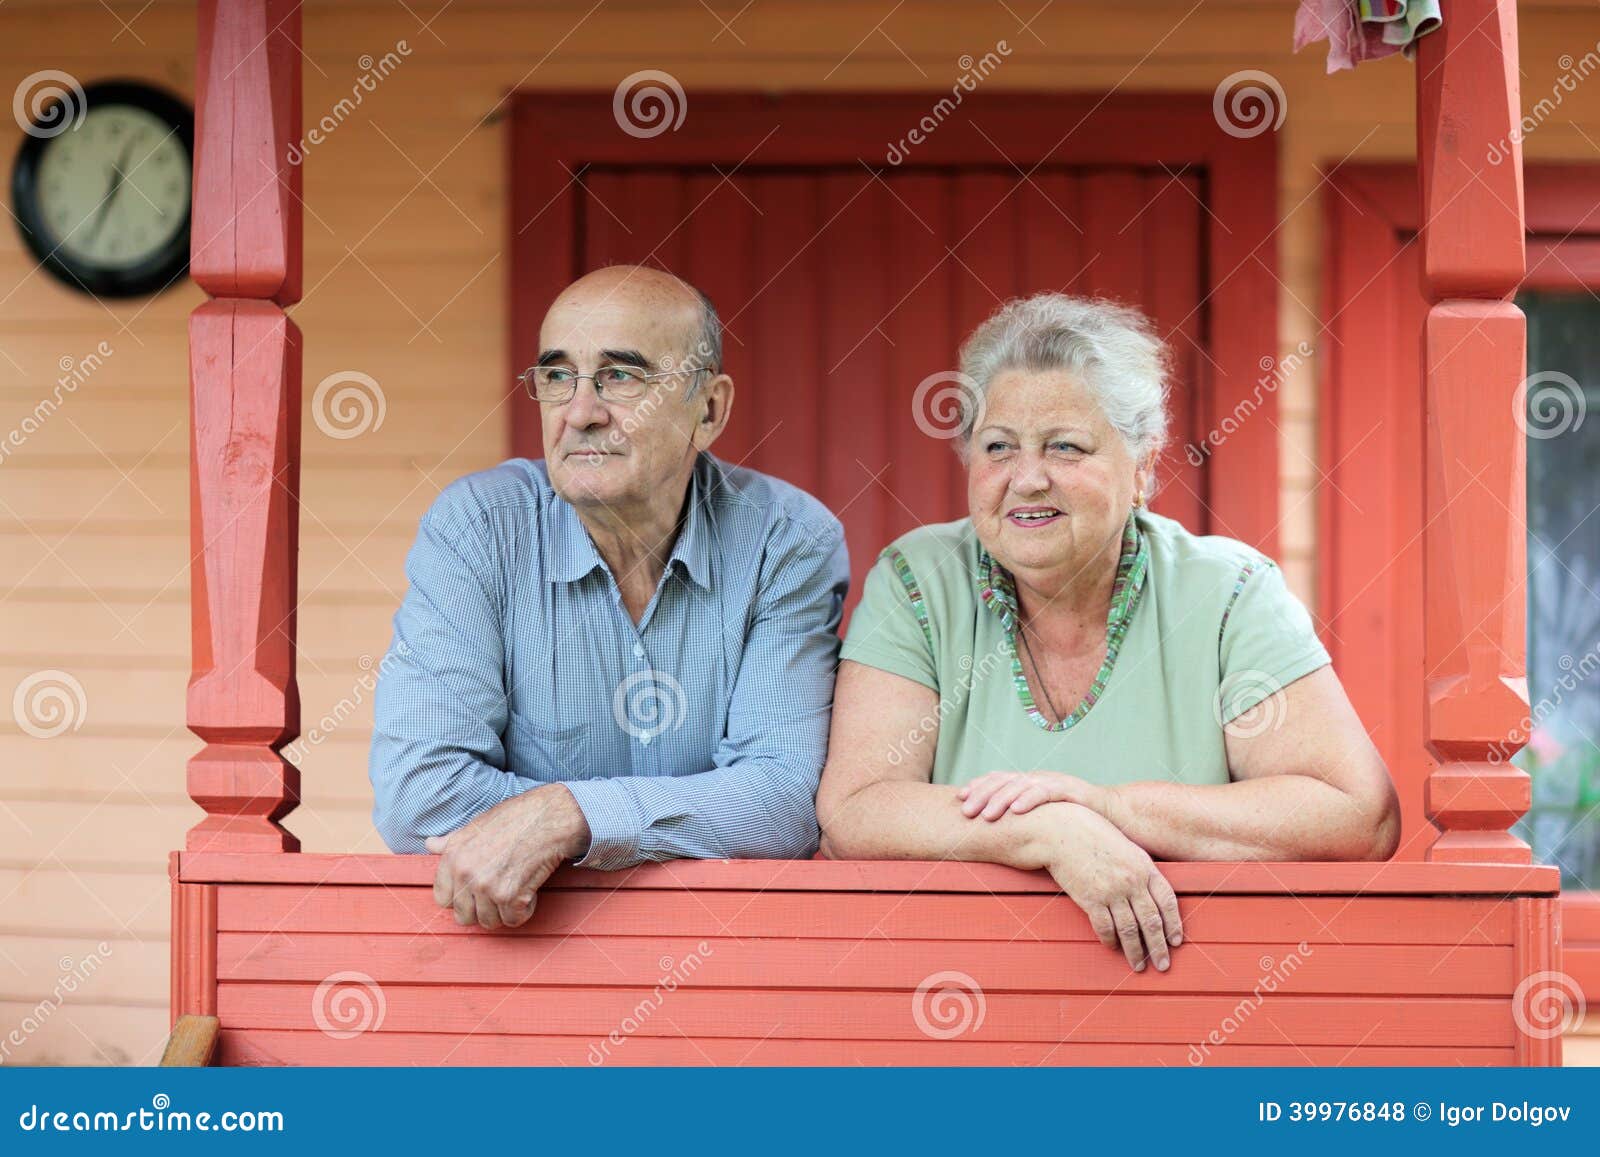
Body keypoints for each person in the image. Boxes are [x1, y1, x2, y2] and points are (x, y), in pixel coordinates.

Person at [816, 293, 1400, 973]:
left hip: (1188, 993)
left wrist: (1109, 808)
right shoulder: (919, 581)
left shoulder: (1227, 594)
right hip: (963, 985)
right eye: (998, 446)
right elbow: (855, 810)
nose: (1026, 479)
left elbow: (1357, 815)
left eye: (1065, 446)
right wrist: (1047, 828)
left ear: (1143, 466)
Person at [370, 265, 849, 929]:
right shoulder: (478, 528)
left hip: (720, 952)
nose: (580, 412)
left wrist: (569, 816)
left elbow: (782, 803)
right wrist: (668, 818)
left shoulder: (785, 540)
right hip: (515, 954)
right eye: (557, 376)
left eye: (620, 376)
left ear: (709, 409)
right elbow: (419, 795)